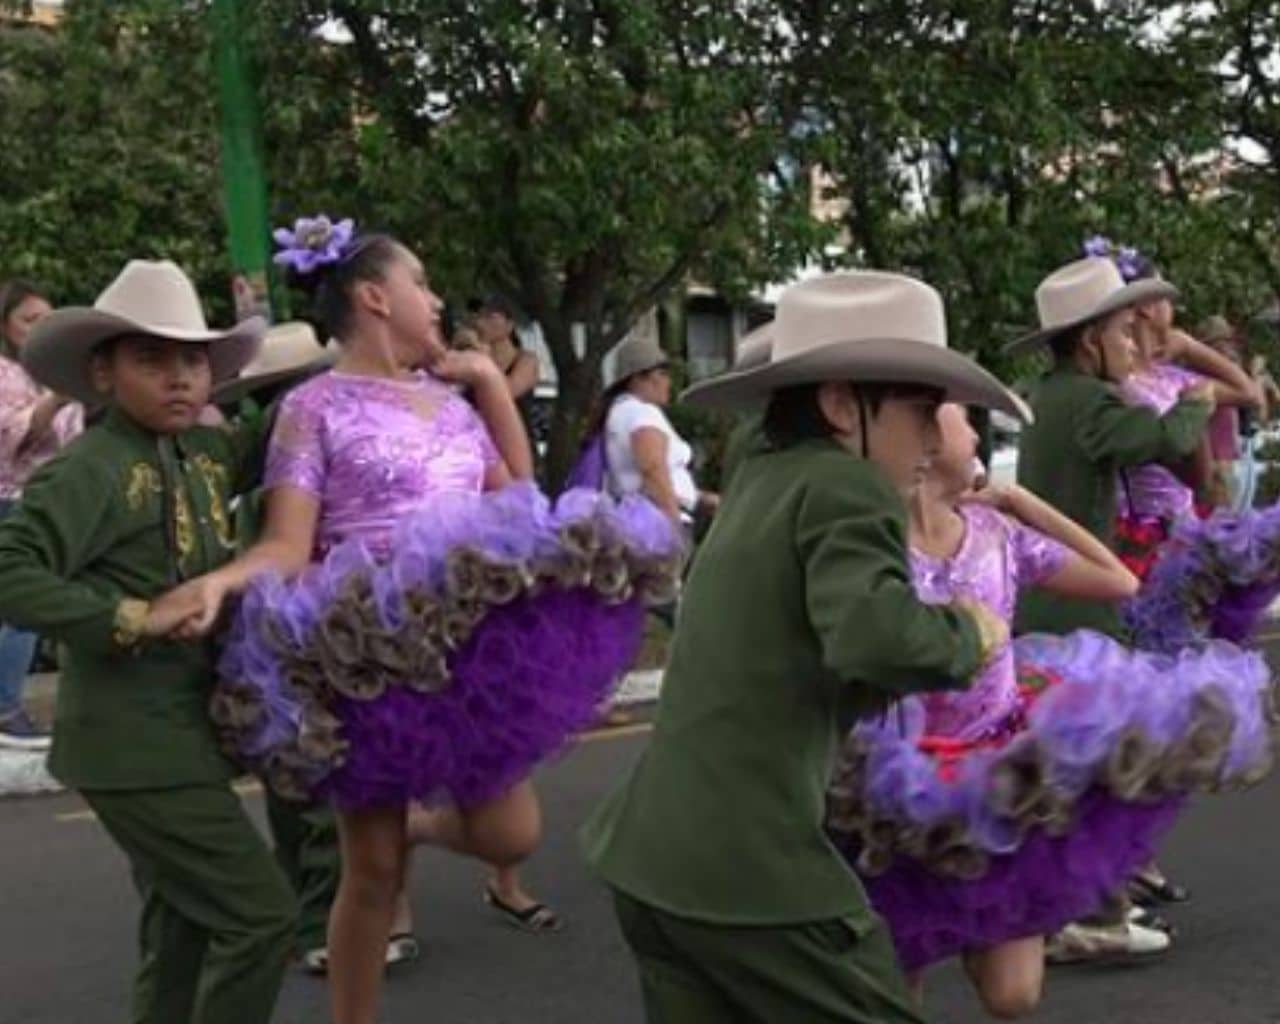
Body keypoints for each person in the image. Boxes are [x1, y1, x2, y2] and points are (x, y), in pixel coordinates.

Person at [172, 216, 680, 1024]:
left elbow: (516, 501)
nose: (438, 299)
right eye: (422, 282)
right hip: (364, 653)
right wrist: (221, 582)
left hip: (463, 649)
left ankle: (417, 826)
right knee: (370, 872)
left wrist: (485, 381)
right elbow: (287, 544)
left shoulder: (450, 406)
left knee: (511, 835)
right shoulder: (311, 407)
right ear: (375, 296)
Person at [582, 270, 1025, 1024]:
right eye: (922, 409)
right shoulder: (845, 485)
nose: (934, 437)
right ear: (841, 405)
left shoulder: (763, 475)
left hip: (654, 863)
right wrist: (971, 631)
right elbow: (877, 636)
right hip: (750, 875)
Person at [828, 404, 1273, 1018]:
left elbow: (1117, 580)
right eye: (960, 420)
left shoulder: (998, 533)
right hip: (897, 780)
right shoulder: (874, 544)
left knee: (1014, 993)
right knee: (897, 980)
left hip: (999, 779)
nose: (977, 432)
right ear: (924, 440)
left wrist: (1021, 503)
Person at [0, 260, 296, 1023]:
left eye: (193, 360)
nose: (179, 378)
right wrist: (135, 617)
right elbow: (9, 569)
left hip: (182, 732)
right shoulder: (91, 467)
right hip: (132, 742)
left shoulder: (199, 451)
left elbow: (276, 436)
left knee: (183, 926)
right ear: (102, 373)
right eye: (151, 359)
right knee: (260, 917)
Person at [1009, 255, 1215, 962]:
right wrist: (1195, 401)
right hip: (1076, 614)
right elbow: (1164, 442)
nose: (1133, 344)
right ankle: (1087, 912)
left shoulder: (1053, 395)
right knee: (1098, 765)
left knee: (1079, 765)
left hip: (1053, 605)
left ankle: (1087, 903)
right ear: (1091, 339)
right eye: (1124, 331)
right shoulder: (1090, 404)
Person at [213, 320, 344, 974]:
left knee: (290, 783)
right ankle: (318, 923)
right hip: (303, 625)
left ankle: (299, 912)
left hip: (263, 629)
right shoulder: (296, 440)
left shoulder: (252, 450)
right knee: (318, 788)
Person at [0, 280, 83, 748]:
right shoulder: (5, 374)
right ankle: (5, 708)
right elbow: (15, 434)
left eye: (47, 319)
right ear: (5, 327)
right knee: (24, 606)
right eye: (29, 319)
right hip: (14, 500)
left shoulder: (52, 374)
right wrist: (57, 399)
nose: (40, 328)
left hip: (53, 499)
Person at [600, 329, 718, 526]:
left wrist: (699, 498)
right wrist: (673, 527)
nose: (668, 382)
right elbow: (652, 470)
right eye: (662, 374)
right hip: (658, 524)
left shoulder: (618, 412)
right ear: (637, 378)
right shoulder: (641, 413)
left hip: (635, 520)